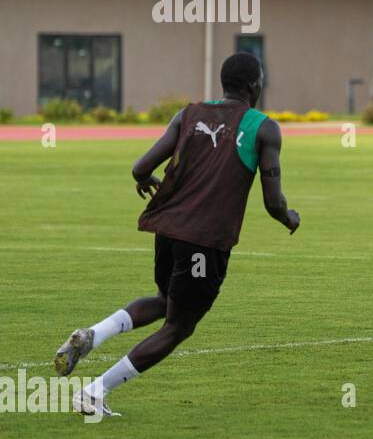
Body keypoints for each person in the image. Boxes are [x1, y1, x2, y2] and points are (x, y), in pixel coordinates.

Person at [55, 52, 300, 418]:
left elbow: (140, 167)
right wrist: (289, 217)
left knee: (165, 297)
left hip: (168, 229)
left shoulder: (187, 114)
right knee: (179, 326)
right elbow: (272, 201)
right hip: (204, 240)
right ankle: (94, 392)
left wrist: (144, 180)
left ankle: (93, 334)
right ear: (254, 86)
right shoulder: (264, 128)